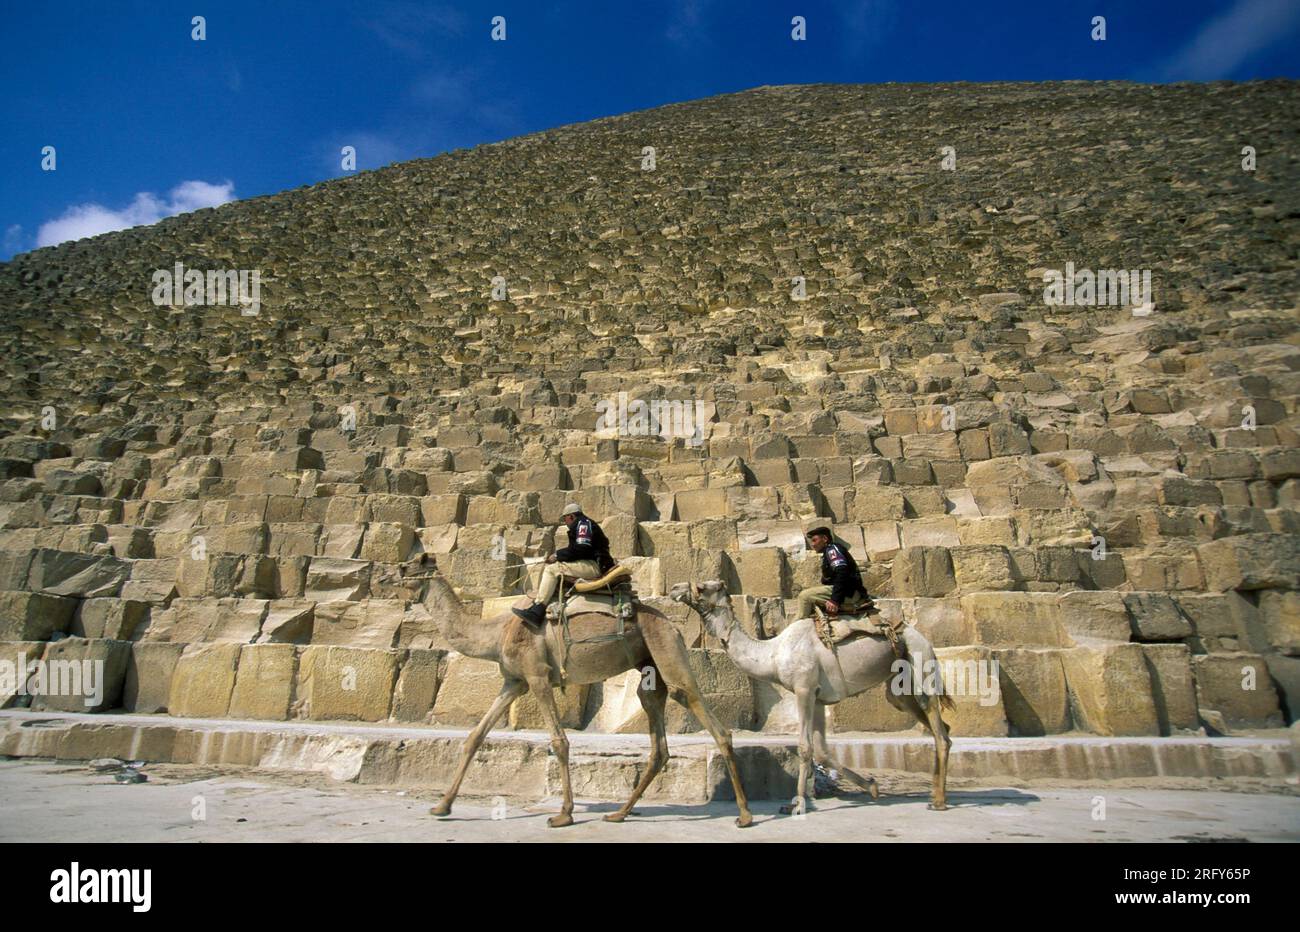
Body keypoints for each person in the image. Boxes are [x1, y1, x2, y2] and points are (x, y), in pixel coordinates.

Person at [512, 503, 614, 626]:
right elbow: (577, 551)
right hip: (589, 562)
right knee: (556, 566)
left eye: (565, 518)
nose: (565, 522)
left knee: (551, 570)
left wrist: (556, 556)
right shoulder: (581, 525)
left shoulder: (583, 524)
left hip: (594, 566)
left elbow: (581, 548)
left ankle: (537, 610)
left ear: (571, 516)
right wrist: (559, 557)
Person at [796, 526, 872, 619]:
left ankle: (798, 625)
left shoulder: (832, 549)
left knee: (804, 596)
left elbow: (842, 572)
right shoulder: (828, 551)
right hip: (846, 592)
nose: (812, 544)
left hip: (848, 593)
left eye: (815, 540)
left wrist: (835, 600)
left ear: (824, 539)